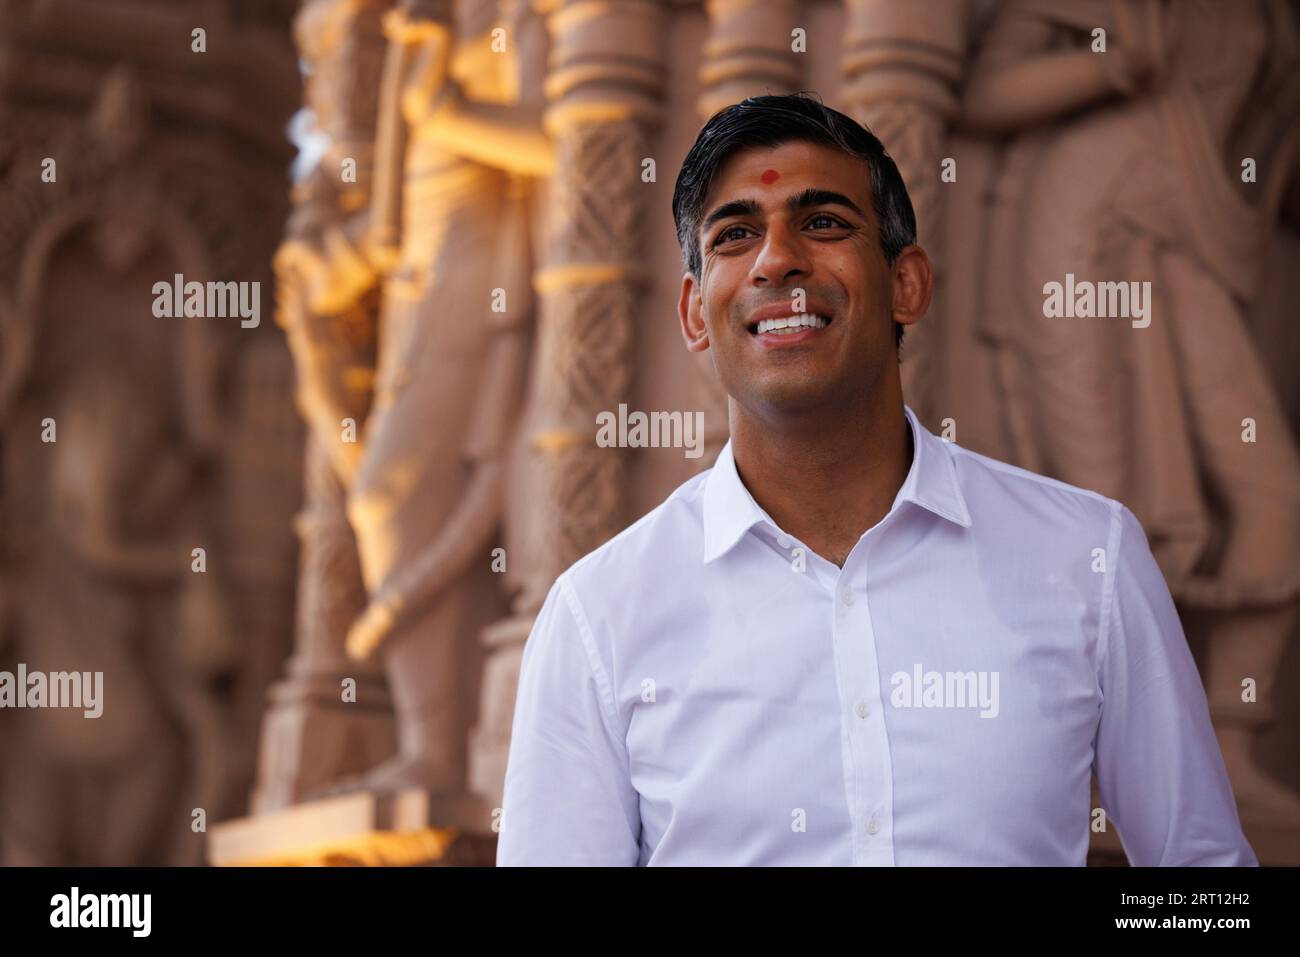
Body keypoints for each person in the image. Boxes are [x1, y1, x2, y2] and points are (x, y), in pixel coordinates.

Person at [495, 92, 1256, 866]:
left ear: (907, 284)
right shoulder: (599, 615)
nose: (777, 260)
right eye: (735, 235)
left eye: (822, 222)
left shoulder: (1087, 556)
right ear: (696, 311)